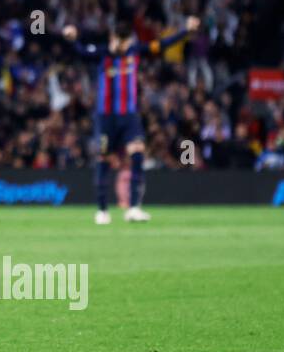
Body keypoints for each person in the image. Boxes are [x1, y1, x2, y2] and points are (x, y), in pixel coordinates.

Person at [62, 14, 199, 224]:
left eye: (126, 40)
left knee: (137, 155)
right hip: (106, 117)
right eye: (119, 39)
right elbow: (80, 51)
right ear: (112, 38)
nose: (123, 44)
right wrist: (71, 39)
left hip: (129, 117)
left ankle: (134, 208)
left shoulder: (136, 52)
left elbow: (162, 45)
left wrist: (186, 31)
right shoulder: (101, 54)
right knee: (104, 160)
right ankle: (102, 210)